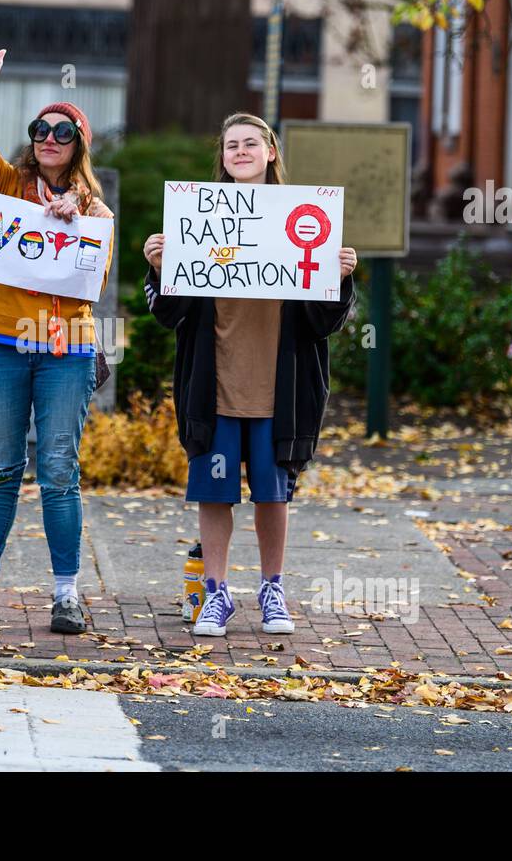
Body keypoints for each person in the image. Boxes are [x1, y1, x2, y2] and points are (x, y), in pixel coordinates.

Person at [142, 113, 358, 637]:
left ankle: (272, 590)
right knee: (214, 493)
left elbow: (323, 323)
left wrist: (340, 278)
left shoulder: (306, 218)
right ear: (222, 156)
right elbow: (169, 315)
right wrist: (158, 269)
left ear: (270, 153)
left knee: (272, 494)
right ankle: (216, 593)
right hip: (214, 385)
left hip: (279, 389)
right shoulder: (198, 220)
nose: (240, 152)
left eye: (250, 144)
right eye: (231, 145)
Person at [0, 26, 113, 635]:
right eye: (41, 130)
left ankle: (66, 597)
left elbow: (98, 278)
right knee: (1, 466)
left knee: (59, 469)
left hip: (65, 350)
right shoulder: (7, 185)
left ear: (79, 146)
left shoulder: (96, 211)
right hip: (3, 345)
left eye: (64, 132)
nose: (49, 139)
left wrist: (76, 223)